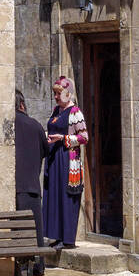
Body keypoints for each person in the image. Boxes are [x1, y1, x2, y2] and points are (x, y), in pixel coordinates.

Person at [42, 75, 88, 248]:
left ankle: (67, 238)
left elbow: (84, 137)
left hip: (67, 160)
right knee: (54, 194)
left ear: (68, 94)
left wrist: (63, 138)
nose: (55, 96)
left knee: (66, 197)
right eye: (54, 93)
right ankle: (55, 235)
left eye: (58, 93)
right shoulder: (56, 111)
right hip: (54, 158)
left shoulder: (75, 112)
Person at [15, 90, 48, 276]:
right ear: (22, 105)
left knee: (18, 230)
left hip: (15, 186)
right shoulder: (35, 125)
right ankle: (37, 265)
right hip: (32, 186)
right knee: (35, 229)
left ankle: (20, 267)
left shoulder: (9, 124)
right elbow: (46, 150)